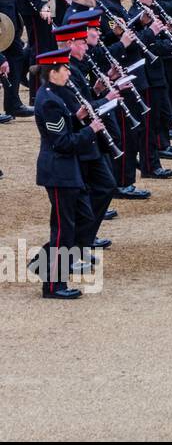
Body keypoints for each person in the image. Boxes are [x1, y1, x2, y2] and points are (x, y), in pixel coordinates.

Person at [33, 48, 102, 299]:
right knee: (63, 229)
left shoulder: (55, 95)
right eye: (64, 69)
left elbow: (63, 128)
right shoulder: (49, 100)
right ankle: (53, 285)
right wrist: (89, 130)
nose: (68, 71)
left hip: (65, 170)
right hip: (58, 170)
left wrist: (76, 117)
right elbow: (61, 142)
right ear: (53, 73)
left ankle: (43, 264)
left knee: (82, 217)